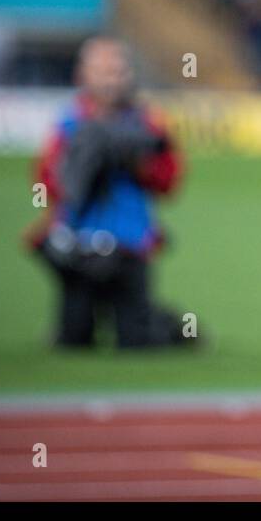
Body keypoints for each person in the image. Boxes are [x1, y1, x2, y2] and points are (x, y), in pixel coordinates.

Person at [24, 37, 190, 349]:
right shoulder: (69, 123)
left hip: (130, 245)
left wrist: (136, 163)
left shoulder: (147, 124)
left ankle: (172, 327)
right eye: (101, 71)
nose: (110, 80)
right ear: (82, 75)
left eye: (116, 71)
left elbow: (169, 182)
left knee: (137, 340)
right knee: (73, 339)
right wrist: (84, 165)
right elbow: (45, 182)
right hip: (77, 244)